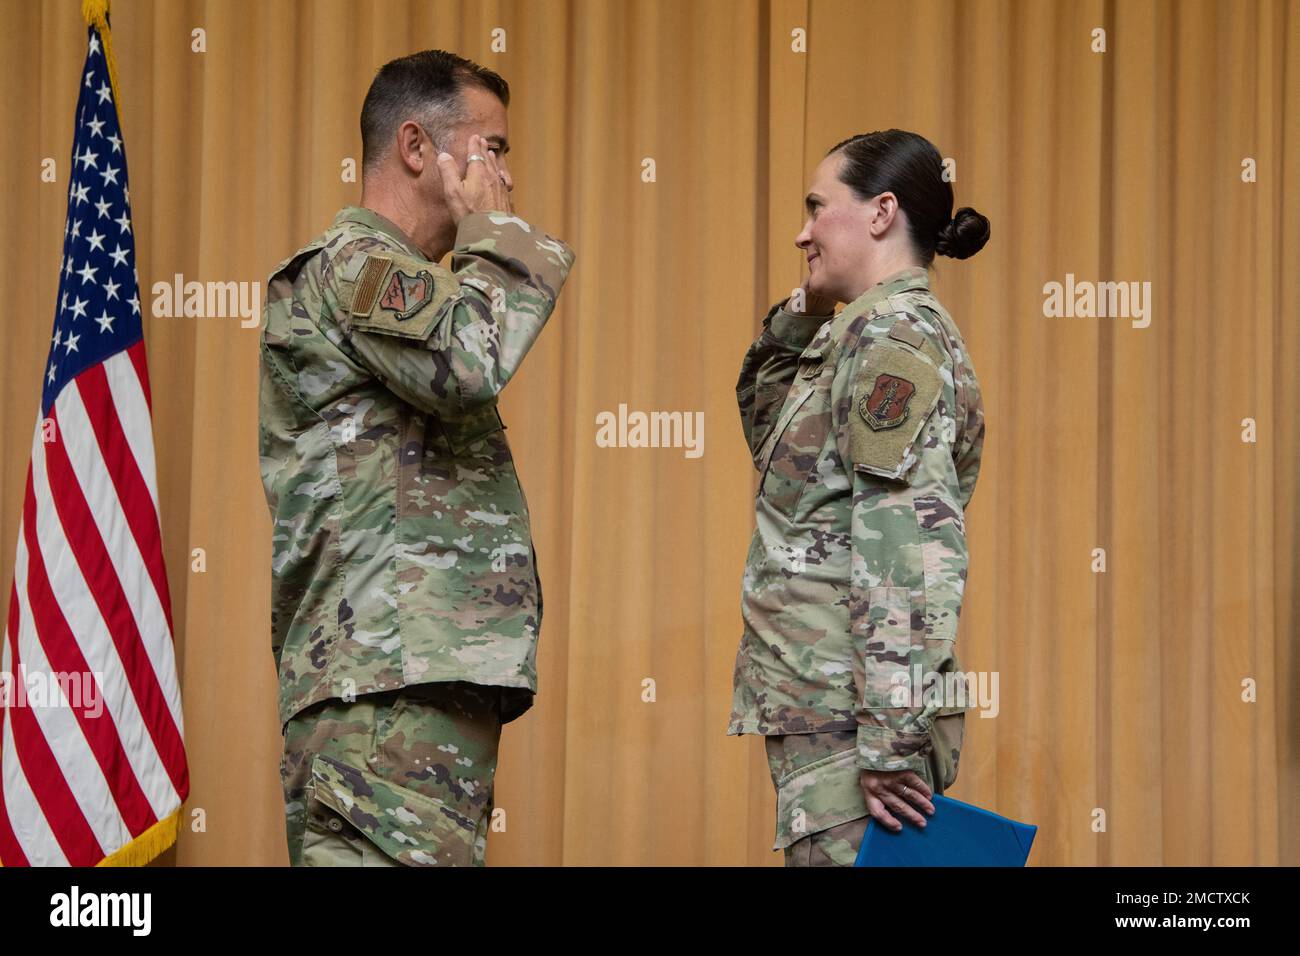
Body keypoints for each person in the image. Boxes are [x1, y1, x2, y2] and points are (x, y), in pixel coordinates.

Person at [258, 50, 575, 866]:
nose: (504, 172)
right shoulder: (353, 266)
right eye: (492, 147)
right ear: (415, 147)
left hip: (411, 690)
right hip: (379, 694)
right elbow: (470, 362)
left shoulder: (415, 284)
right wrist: (498, 236)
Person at [728, 129, 989, 866]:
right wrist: (803, 311)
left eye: (817, 208)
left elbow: (903, 548)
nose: (801, 232)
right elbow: (770, 437)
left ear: (880, 213)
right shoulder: (851, 334)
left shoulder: (892, 343)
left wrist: (890, 738)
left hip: (857, 727)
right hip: (834, 713)